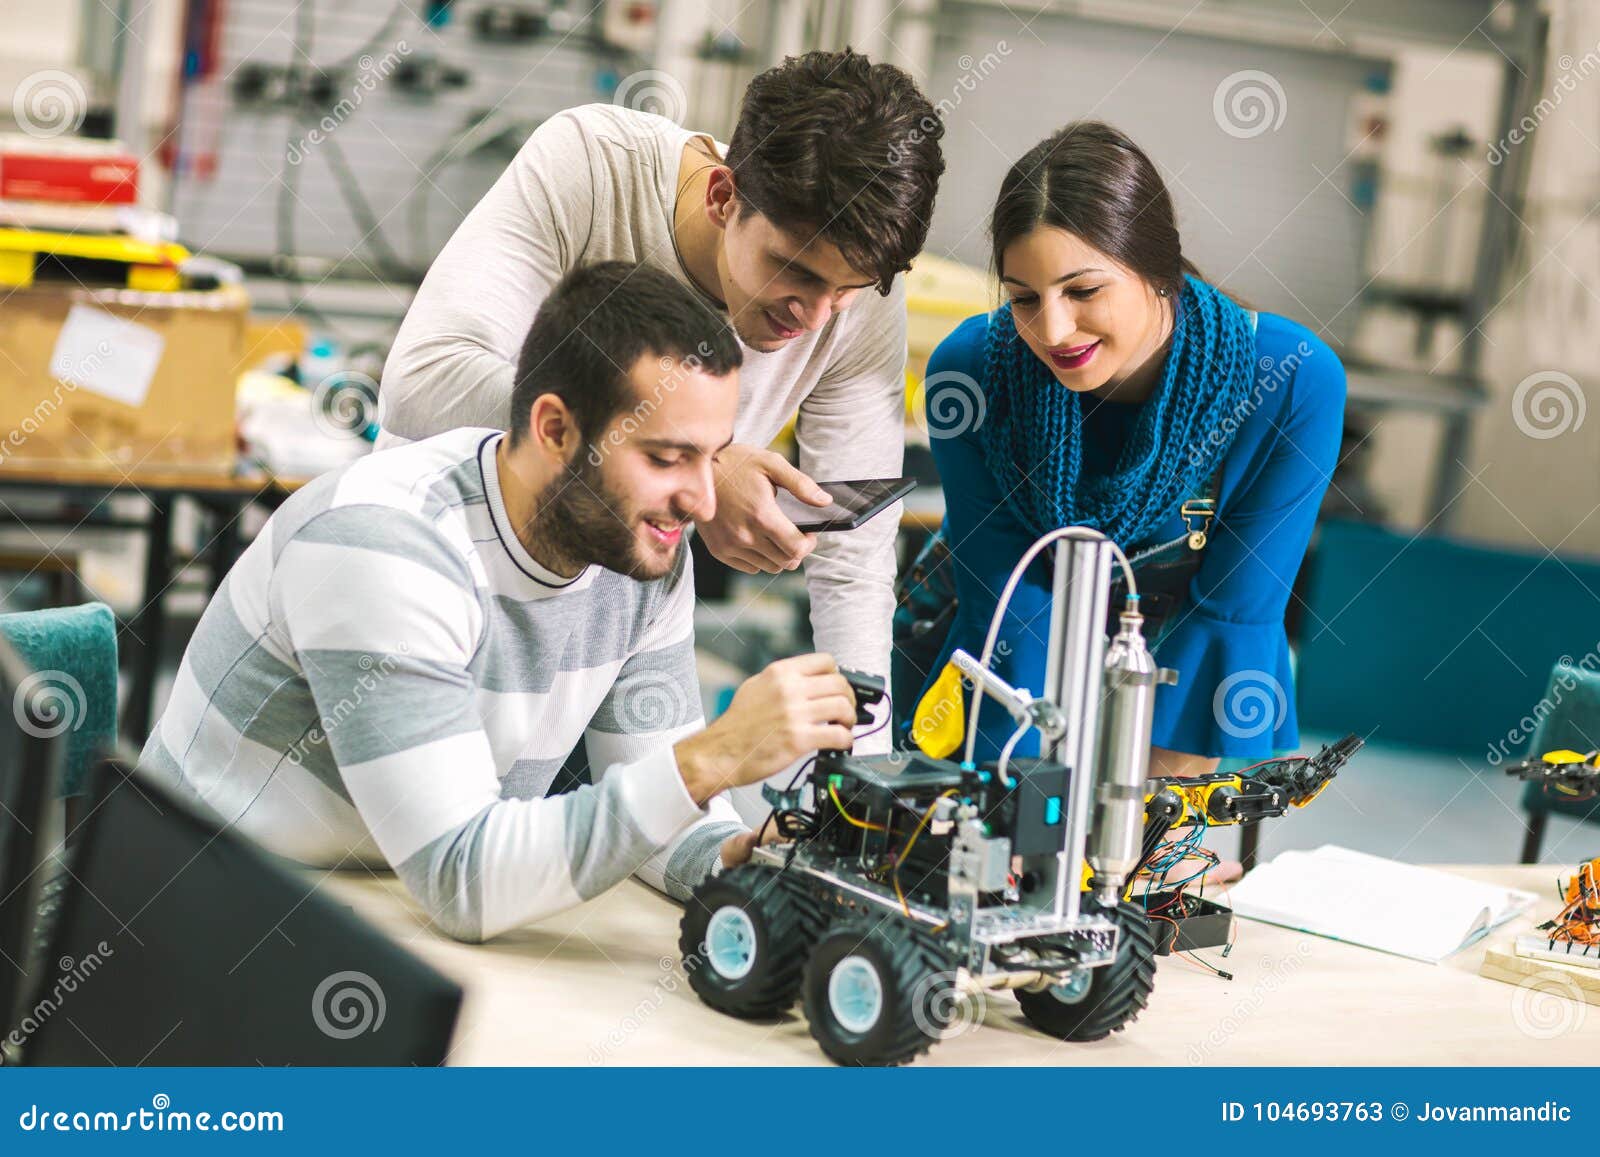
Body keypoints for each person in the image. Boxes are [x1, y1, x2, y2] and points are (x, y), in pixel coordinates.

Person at [141, 263, 860, 943]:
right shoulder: (385, 542)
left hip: (385, 910)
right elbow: (462, 878)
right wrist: (718, 753)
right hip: (196, 908)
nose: (703, 501)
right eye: (667, 458)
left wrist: (753, 859)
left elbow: (662, 823)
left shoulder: (640, 557)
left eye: (714, 456)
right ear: (555, 431)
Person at [377, 50, 946, 738]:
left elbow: (854, 559)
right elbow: (424, 383)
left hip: (608, 642)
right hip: (428, 597)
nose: (816, 315)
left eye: (847, 290)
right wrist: (704, 464)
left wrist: (861, 763)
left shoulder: (861, 279)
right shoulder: (593, 165)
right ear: (723, 196)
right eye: (793, 269)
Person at [901, 121, 1347, 780]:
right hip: (989, 648)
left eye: (1083, 291)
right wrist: (1013, 811)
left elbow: (1229, 614)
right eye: (1024, 298)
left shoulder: (1288, 383)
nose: (1054, 330)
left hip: (1166, 674)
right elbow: (1010, 606)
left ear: (1157, 270)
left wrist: (1146, 823)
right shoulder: (972, 373)